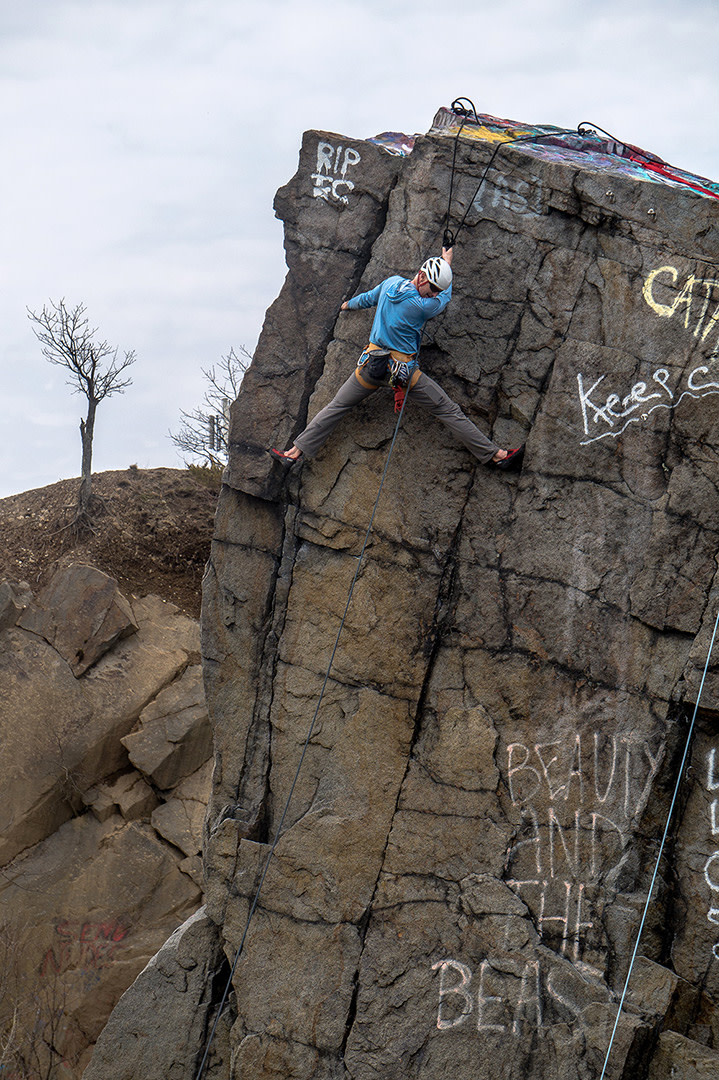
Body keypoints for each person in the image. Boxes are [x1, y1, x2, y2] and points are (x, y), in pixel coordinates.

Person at [268, 247, 524, 471]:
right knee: (448, 410)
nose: (434, 294)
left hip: (370, 367)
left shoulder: (391, 284)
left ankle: (294, 453)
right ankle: (497, 456)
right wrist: (448, 261)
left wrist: (348, 305)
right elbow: (445, 299)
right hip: (403, 373)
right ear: (422, 277)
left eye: (436, 290)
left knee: (337, 407)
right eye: (432, 288)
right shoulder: (421, 306)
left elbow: (369, 298)